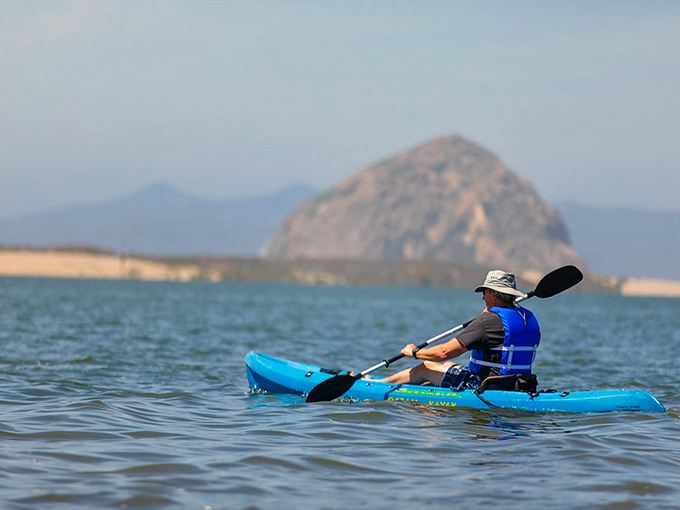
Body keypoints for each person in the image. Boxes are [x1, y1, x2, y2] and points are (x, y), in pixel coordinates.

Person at [366, 270, 541, 391]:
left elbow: (443, 352)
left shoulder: (487, 322)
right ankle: (421, 391)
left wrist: (414, 352)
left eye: (485, 292)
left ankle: (378, 385)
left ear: (495, 294)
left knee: (425, 367)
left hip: (486, 385)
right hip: (520, 384)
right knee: (449, 367)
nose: (482, 297)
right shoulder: (529, 318)